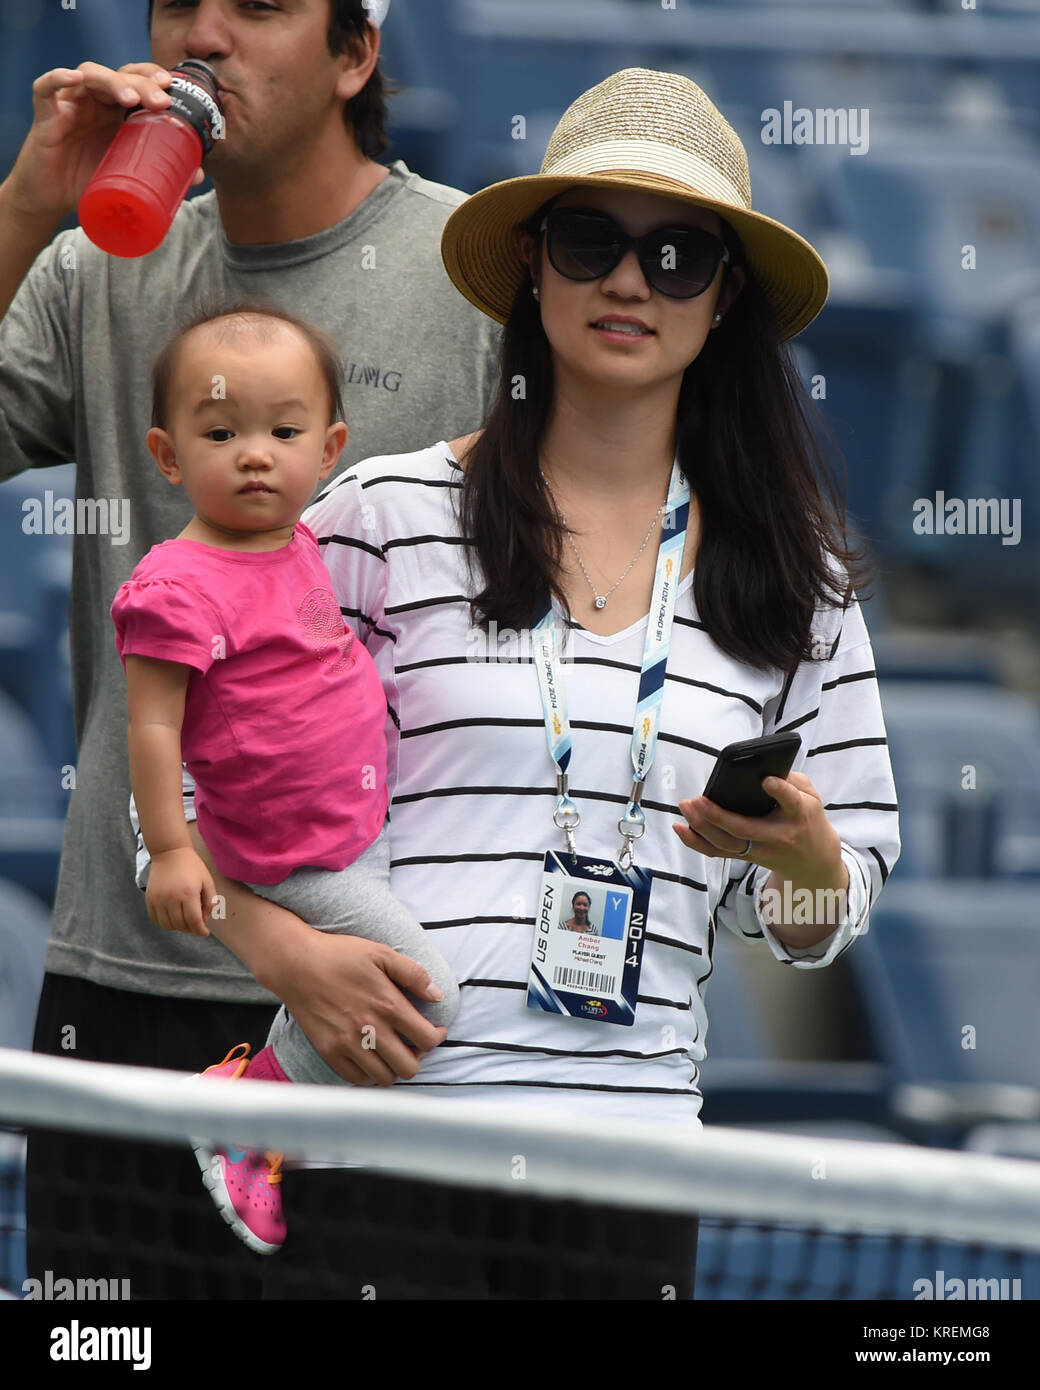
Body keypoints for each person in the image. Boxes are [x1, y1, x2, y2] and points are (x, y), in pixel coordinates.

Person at [150, 67, 901, 1299]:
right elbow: (170, 808)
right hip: (380, 1144)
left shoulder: (800, 580)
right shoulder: (376, 518)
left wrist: (809, 871)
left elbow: (817, 920)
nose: (626, 280)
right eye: (590, 238)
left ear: (722, 304)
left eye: (677, 258)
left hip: (633, 1174)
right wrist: (286, 958)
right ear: (533, 267)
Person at [0, 0, 496, 1297]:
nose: (202, 34)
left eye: (261, 6)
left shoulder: (472, 274)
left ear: (357, 56)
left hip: (361, 991)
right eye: (179, 4)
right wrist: (20, 209)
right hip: (120, 978)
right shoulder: (98, 265)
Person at [110, 301, 460, 1256]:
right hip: (280, 854)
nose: (256, 454)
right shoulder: (176, 584)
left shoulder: (304, 540)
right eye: (222, 433)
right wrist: (172, 853)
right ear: (169, 454)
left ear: (329, 446)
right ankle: (250, 1110)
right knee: (426, 994)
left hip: (352, 832)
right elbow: (150, 728)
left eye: (284, 431)